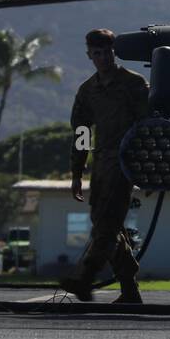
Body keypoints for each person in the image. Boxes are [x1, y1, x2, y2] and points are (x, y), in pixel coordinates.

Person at [60, 29, 149, 304]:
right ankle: (129, 289)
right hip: (101, 165)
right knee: (105, 223)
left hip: (125, 163)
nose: (102, 58)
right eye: (97, 53)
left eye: (107, 52)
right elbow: (82, 133)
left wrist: (146, 169)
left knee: (107, 225)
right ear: (89, 55)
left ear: (114, 52)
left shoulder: (134, 84)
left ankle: (85, 279)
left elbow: (148, 127)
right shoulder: (88, 91)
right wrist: (77, 172)